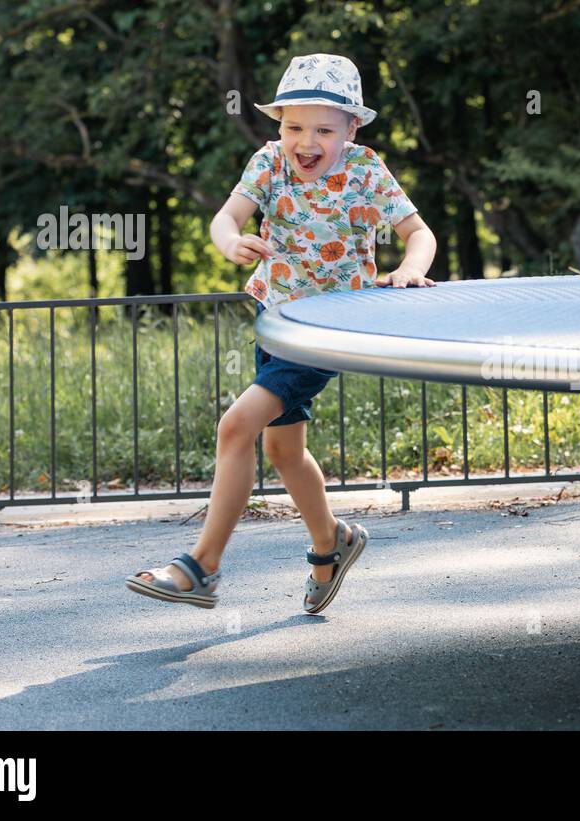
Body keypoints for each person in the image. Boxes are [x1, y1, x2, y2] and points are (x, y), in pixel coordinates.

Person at [126, 53, 437, 613]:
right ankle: (332, 542)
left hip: (331, 325)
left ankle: (201, 568)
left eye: (323, 129)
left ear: (351, 128)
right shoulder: (268, 164)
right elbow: (226, 218)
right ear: (279, 127)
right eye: (294, 127)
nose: (306, 141)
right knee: (283, 448)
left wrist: (410, 268)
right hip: (275, 323)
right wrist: (229, 243)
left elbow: (420, 234)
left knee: (236, 426)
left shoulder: (367, 170)